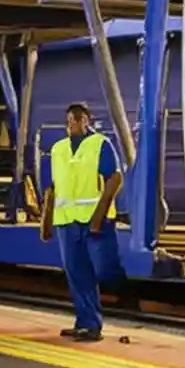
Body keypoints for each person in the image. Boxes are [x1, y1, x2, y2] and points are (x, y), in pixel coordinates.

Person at [40, 102, 125, 342]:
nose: (72, 123)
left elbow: (114, 179)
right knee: (76, 272)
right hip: (66, 221)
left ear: (87, 120)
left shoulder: (100, 145)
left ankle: (94, 320)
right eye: (69, 119)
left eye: (77, 119)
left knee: (100, 269)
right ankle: (86, 323)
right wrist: (46, 222)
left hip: (94, 221)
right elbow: (53, 189)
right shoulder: (58, 149)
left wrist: (99, 216)